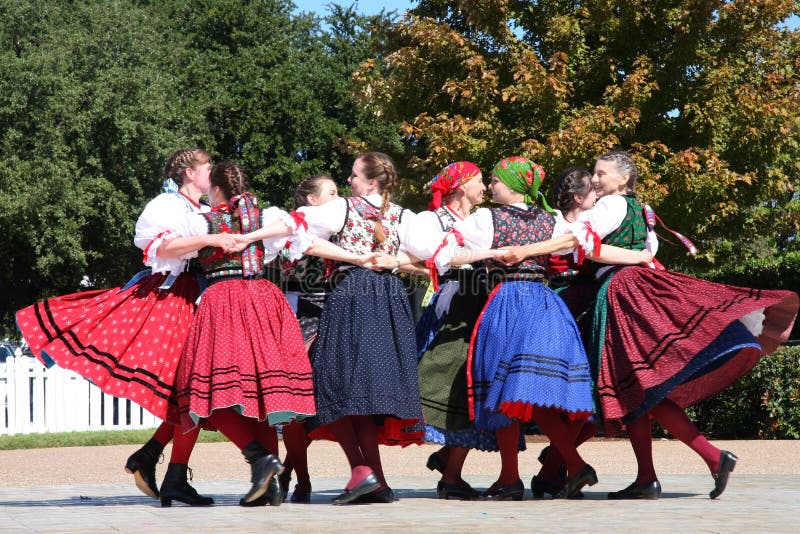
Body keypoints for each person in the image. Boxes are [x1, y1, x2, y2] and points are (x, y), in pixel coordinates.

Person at [564, 150, 799, 499]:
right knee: (638, 389)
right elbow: (649, 249)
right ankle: (658, 474)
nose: (595, 179)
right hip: (637, 291)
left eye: (601, 174)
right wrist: (639, 257)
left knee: (638, 387)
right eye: (595, 174)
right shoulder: (642, 211)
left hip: (620, 293)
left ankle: (693, 462)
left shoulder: (606, 206)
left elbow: (585, 245)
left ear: (623, 179)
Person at [16, 148, 216, 506]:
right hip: (175, 298)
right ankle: (165, 469)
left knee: (191, 390)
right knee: (191, 389)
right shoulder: (167, 205)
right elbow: (163, 247)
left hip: (200, 297)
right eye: (207, 168)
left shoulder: (204, 209)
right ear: (189, 172)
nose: (211, 173)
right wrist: (210, 240)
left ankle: (154, 458)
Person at [424, 156, 598, 500]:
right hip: (545, 305)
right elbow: (582, 240)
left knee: (503, 393)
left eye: (495, 181)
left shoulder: (487, 217)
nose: (490, 186)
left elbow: (442, 254)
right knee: (530, 394)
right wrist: (529, 251)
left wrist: (492, 252)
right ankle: (571, 466)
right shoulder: (551, 219)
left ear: (514, 185)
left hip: (506, 304)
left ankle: (511, 480)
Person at [270, 175, 341, 504]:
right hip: (300, 318)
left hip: (335, 314)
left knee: (322, 402)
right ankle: (302, 478)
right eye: (331, 192)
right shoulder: (293, 226)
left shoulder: (339, 226)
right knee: (298, 405)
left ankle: (290, 473)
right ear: (312, 200)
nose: (338, 197)